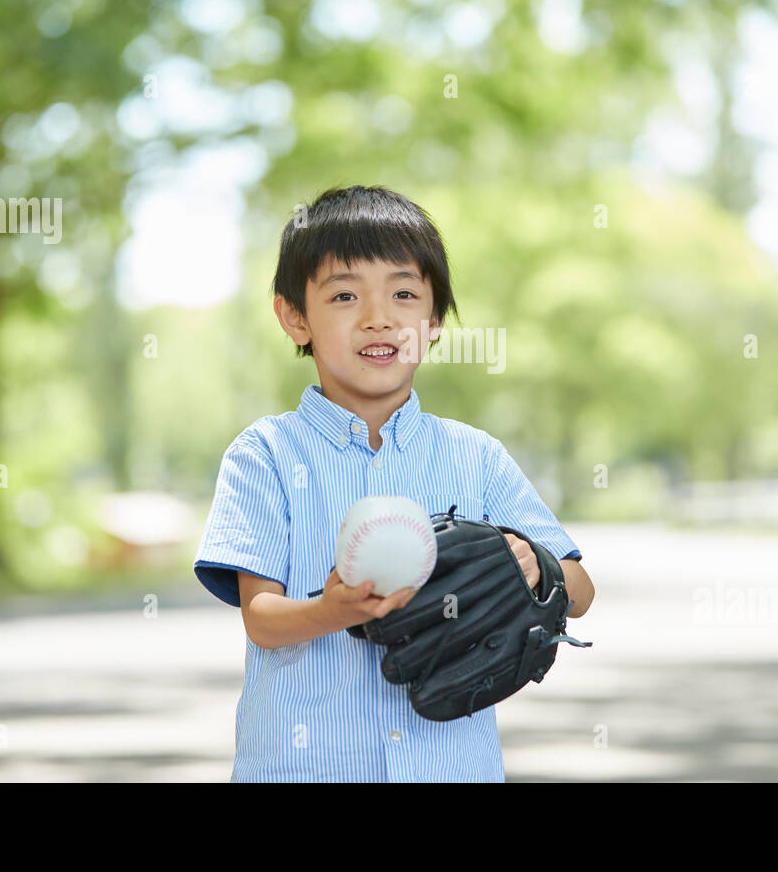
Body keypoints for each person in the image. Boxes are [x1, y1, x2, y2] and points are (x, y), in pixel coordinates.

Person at [193, 184, 595, 782]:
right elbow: (263, 619)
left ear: (433, 322)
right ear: (294, 317)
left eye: (404, 294)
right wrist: (334, 609)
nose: (378, 317)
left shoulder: (475, 455)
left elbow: (581, 592)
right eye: (345, 294)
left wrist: (534, 564)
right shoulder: (265, 455)